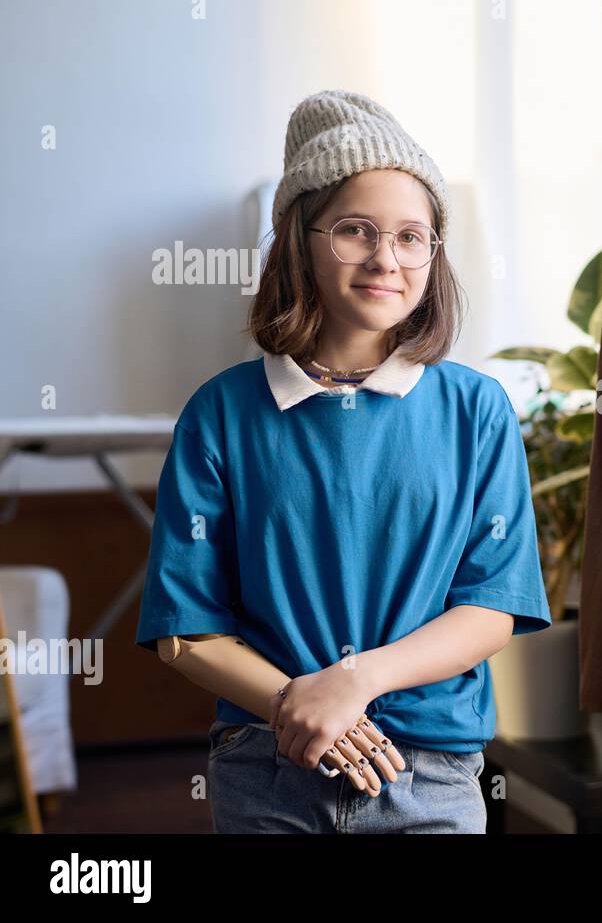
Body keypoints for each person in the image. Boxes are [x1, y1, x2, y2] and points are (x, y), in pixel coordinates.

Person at [135, 89, 551, 833]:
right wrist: (299, 706)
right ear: (301, 240)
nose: (386, 259)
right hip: (268, 762)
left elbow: (492, 609)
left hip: (429, 770)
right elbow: (186, 629)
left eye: (412, 236)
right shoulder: (222, 412)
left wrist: (354, 684)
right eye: (356, 231)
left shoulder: (476, 410)